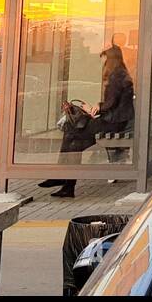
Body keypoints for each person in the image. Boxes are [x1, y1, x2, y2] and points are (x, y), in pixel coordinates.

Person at [41, 45, 136, 198]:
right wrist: (98, 107)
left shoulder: (117, 76)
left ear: (111, 60)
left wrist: (95, 108)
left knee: (72, 133)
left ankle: (62, 177)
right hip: (116, 120)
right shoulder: (121, 74)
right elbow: (113, 102)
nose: (104, 64)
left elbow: (111, 103)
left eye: (105, 60)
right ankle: (66, 184)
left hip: (113, 122)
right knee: (74, 140)